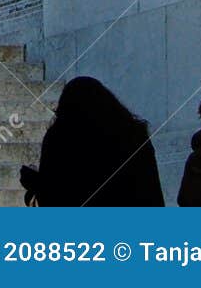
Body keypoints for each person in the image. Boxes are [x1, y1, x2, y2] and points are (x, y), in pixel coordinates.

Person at [19, 77, 164, 206]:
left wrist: (35, 183)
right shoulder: (134, 134)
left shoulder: (60, 137)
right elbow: (151, 193)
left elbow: (56, 199)